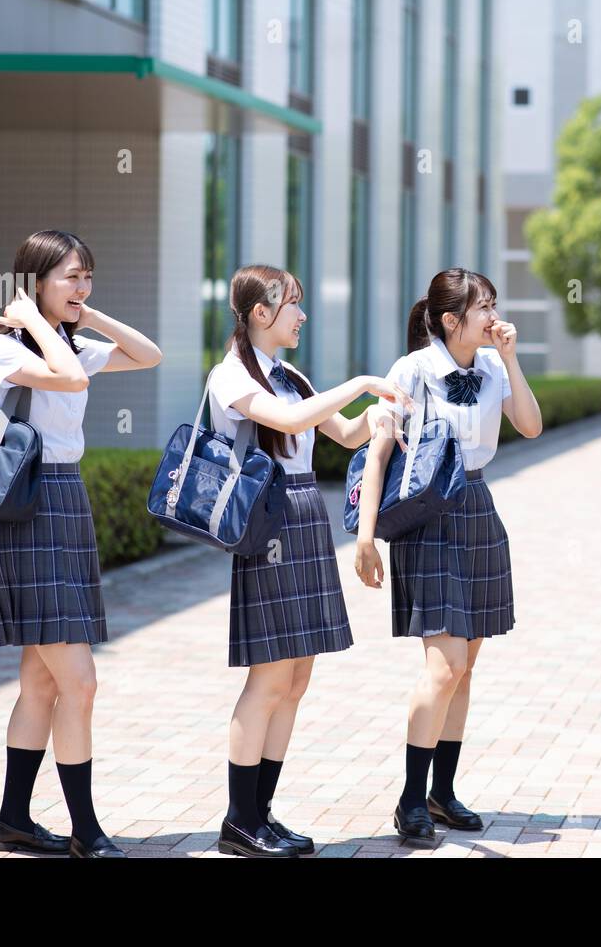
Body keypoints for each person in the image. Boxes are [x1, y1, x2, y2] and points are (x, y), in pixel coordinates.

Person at [0, 229, 163, 858]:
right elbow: (69, 382)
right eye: (70, 277)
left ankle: (11, 822)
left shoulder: (72, 345)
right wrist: (30, 318)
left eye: (88, 276)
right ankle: (85, 830)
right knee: (78, 682)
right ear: (33, 282)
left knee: (41, 683)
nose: (82, 286)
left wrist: (82, 313)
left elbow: (150, 354)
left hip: (66, 501)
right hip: (27, 508)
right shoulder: (1, 350)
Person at [208, 264, 409, 858]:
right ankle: (239, 821)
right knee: (269, 676)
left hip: (302, 520)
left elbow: (340, 433)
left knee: (296, 676)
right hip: (269, 521)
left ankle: (261, 816)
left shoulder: (288, 374)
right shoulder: (229, 376)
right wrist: (364, 383)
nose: (301, 314)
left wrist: (374, 420)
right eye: (290, 303)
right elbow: (293, 422)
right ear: (259, 313)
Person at [353, 267, 542, 844]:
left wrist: (511, 359)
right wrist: (364, 537)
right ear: (451, 320)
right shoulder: (412, 370)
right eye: (483, 307)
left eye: (493, 304)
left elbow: (531, 427)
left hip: (477, 506)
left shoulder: (490, 366)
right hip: (428, 513)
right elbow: (378, 454)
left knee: (466, 666)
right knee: (444, 665)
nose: (494, 316)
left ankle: (442, 794)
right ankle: (410, 800)